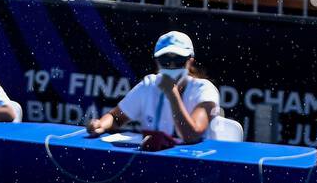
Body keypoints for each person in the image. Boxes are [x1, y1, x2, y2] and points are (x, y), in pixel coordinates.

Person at [86, 31, 219, 148]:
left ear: (190, 61)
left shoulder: (205, 90)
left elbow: (191, 136)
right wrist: (101, 124)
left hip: (196, 167)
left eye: (178, 60)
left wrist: (173, 95)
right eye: (165, 60)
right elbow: (116, 118)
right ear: (157, 62)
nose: (172, 66)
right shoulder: (149, 84)